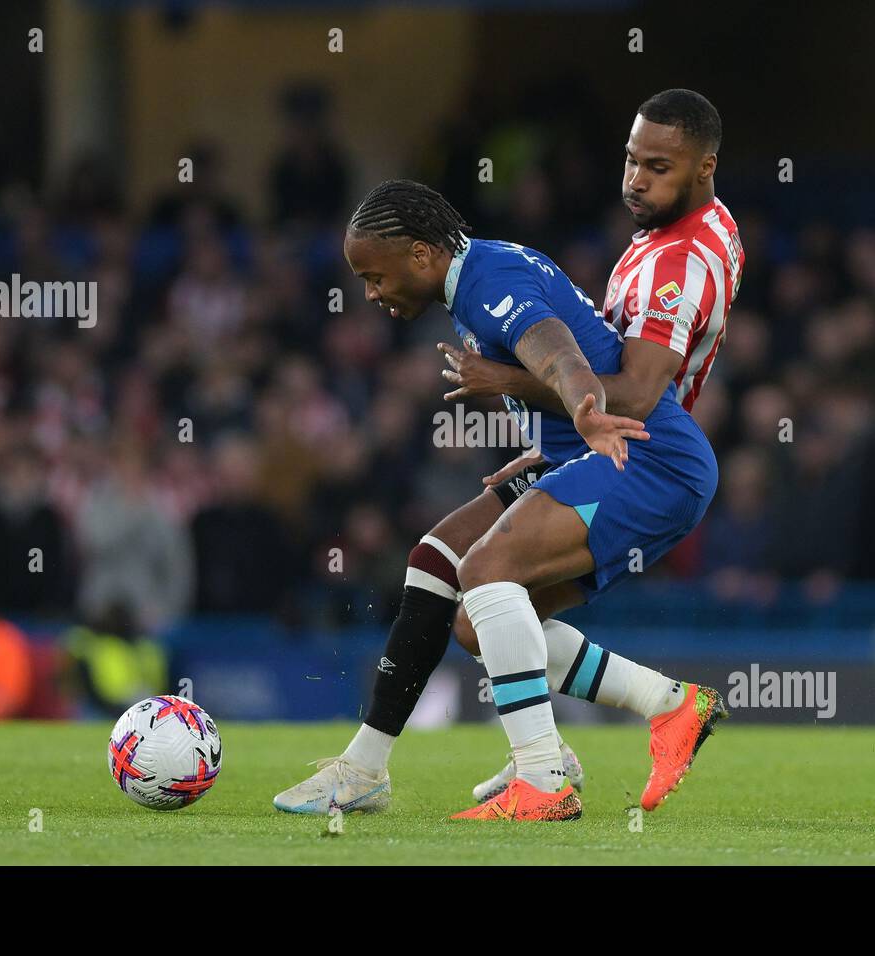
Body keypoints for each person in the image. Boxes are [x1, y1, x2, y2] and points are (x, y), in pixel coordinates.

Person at [276, 156, 731, 821]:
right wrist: (553, 445)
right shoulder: (479, 272)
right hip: (593, 448)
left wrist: (577, 414)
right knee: (451, 586)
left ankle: (544, 779)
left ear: (424, 254)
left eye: (375, 275)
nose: (372, 292)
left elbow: (565, 359)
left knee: (487, 571)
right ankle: (666, 705)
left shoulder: (490, 283)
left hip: (646, 456)